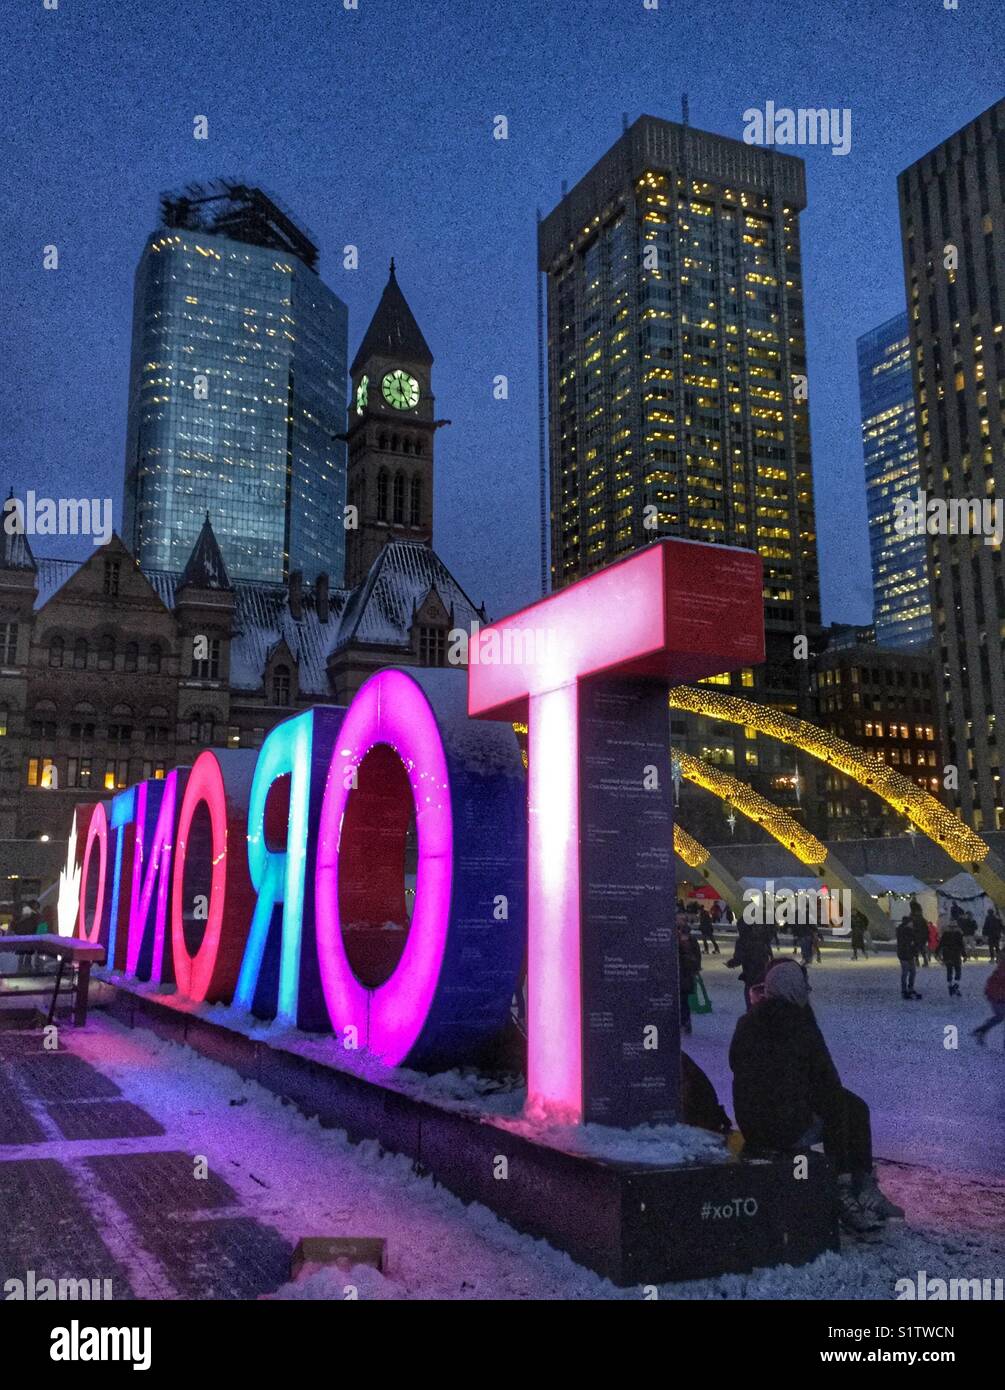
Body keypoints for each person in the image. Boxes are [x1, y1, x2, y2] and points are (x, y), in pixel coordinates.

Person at [728, 959, 903, 1234]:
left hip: (752, 1124)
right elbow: (826, 1080)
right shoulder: (800, 1023)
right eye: (804, 988)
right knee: (848, 1109)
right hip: (786, 1129)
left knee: (840, 1105)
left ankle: (856, 1185)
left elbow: (748, 1070)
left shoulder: (747, 1023)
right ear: (795, 990)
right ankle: (849, 1187)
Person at [726, 919, 773, 1011]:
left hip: (750, 971)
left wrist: (731, 963)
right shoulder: (760, 937)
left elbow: (739, 958)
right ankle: (761, 1008)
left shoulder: (742, 941)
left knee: (750, 990)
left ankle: (752, 1010)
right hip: (762, 968)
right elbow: (767, 951)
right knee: (762, 989)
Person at [972, 957, 1005, 1046]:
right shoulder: (1002, 968)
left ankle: (982, 1030)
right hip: (997, 996)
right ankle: (982, 1030)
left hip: (997, 995)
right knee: (1000, 1016)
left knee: (999, 1017)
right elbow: (997, 981)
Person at [677, 920, 702, 1036]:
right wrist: (696, 968)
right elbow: (698, 956)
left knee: (682, 1000)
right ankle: (685, 1022)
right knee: (684, 1000)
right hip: (687, 975)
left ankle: (684, 1022)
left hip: (682, 975)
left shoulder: (678, 942)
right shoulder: (693, 942)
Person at [936, 917, 967, 997]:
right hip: (956, 954)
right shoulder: (958, 934)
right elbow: (961, 945)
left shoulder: (945, 934)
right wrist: (964, 955)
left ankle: (950, 986)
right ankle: (955, 986)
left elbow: (940, 944)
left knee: (949, 970)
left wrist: (937, 952)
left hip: (947, 955)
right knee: (958, 970)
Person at [896, 914, 922, 1000]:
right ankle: (905, 990)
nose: (912, 924)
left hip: (909, 954)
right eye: (911, 923)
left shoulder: (909, 931)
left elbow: (914, 943)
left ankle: (910, 988)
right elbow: (907, 943)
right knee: (906, 972)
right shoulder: (904, 931)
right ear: (908, 923)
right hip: (904, 954)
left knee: (912, 972)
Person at [909, 899, 930, 966]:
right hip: (922, 936)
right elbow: (926, 928)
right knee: (922, 948)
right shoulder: (922, 918)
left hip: (916, 936)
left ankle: (917, 961)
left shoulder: (912, 917)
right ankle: (924, 960)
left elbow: (911, 927)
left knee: (915, 949)